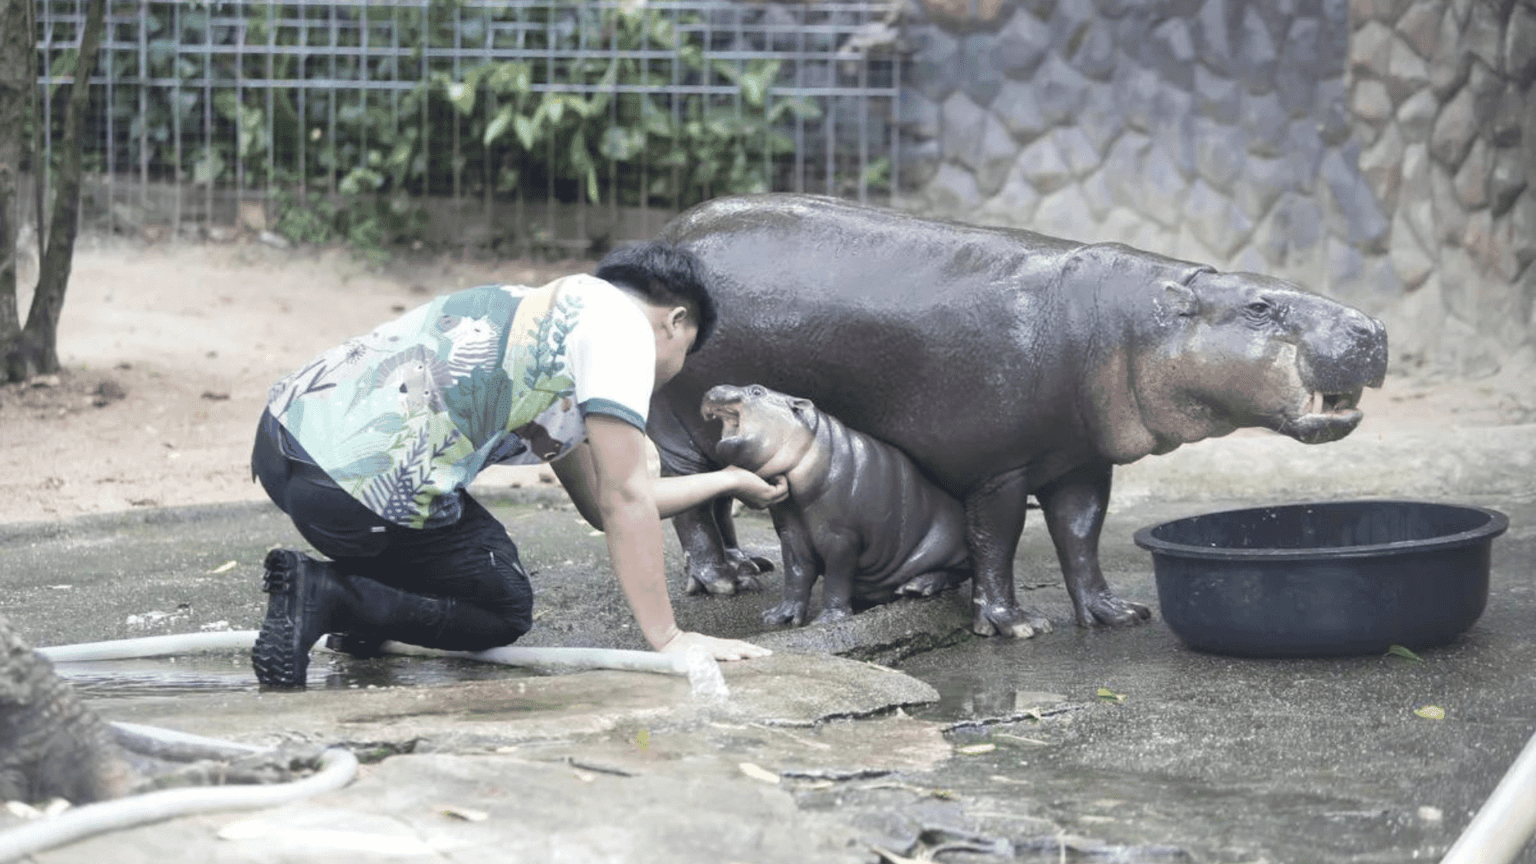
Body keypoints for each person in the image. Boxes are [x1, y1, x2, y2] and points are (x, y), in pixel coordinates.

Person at [248, 241, 787, 688]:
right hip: (357, 490)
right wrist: (669, 638)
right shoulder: (623, 332)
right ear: (675, 321)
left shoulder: (556, 318)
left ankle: (359, 613)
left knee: (454, 541)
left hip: (284, 449)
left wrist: (730, 480)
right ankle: (327, 595)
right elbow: (627, 501)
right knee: (502, 603)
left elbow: (607, 504)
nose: (673, 371)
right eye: (686, 352)